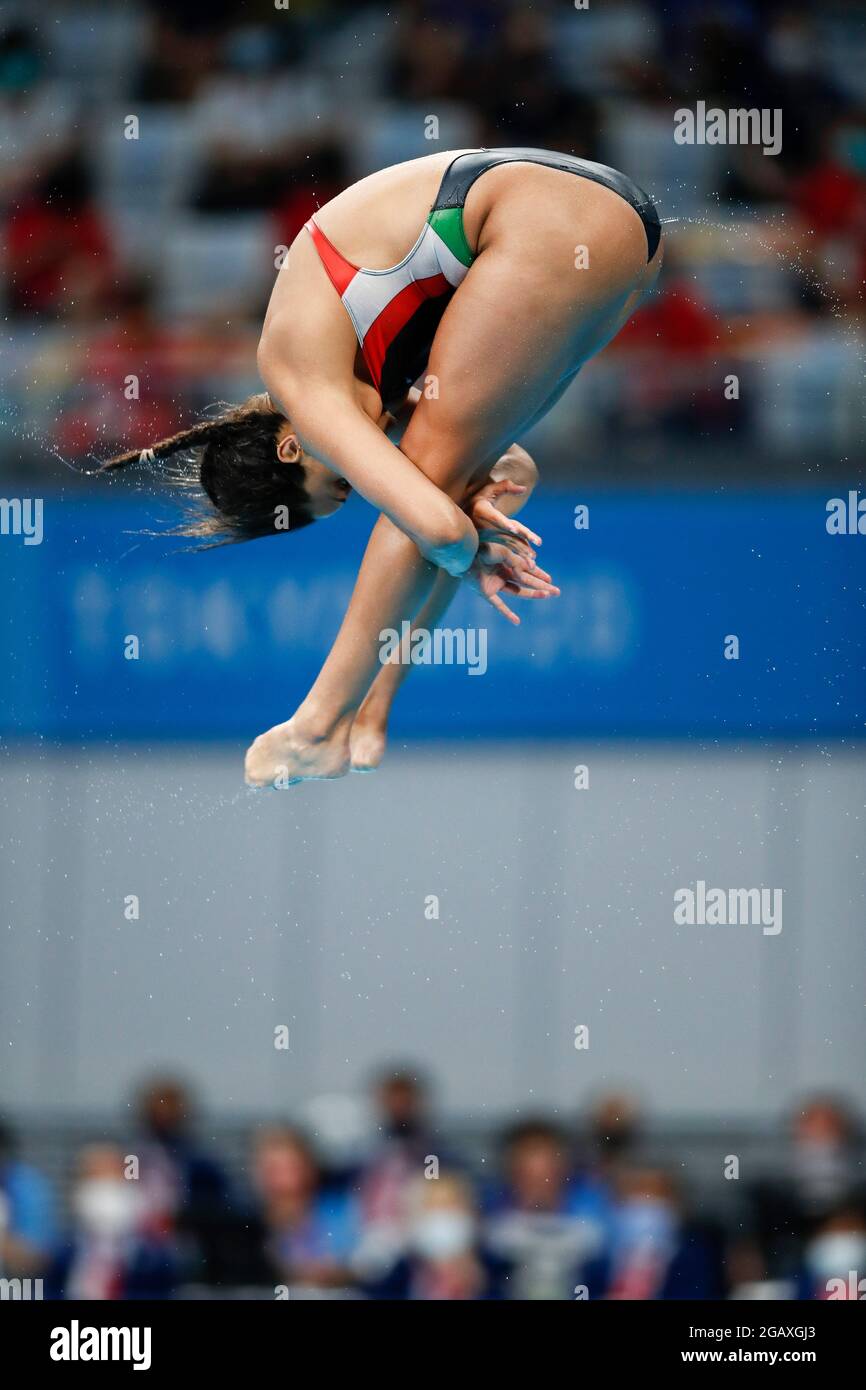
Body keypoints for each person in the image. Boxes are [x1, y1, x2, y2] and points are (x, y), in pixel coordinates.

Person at [103, 147, 662, 783]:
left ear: (293, 445)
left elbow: (443, 529)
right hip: (616, 234)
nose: (364, 475)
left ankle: (317, 724)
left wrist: (463, 539)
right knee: (438, 489)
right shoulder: (372, 380)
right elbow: (515, 474)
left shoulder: (297, 375)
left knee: (425, 501)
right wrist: (456, 523)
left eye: (342, 478)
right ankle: (371, 709)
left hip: (556, 220)